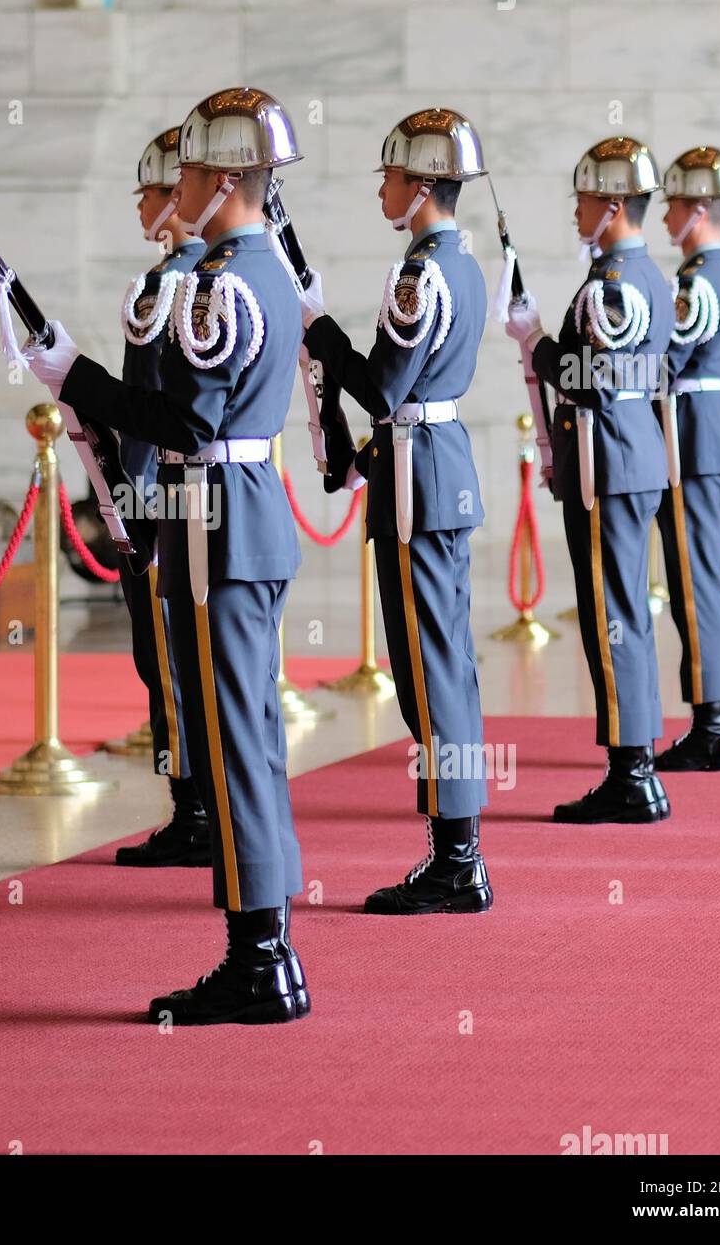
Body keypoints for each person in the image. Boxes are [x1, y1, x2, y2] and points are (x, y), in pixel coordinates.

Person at [21, 87, 310, 1025]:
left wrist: (80, 380)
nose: (174, 185)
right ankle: (264, 951)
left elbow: (186, 419)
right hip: (243, 511)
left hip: (213, 517)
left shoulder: (222, 282)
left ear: (226, 179)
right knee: (246, 734)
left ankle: (260, 958)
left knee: (231, 742)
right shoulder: (264, 270)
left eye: (186, 168)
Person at [300, 107, 492, 913]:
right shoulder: (467, 265)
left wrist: (323, 333)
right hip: (424, 466)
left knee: (428, 670)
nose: (382, 187)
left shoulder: (419, 274)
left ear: (420, 187)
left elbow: (382, 388)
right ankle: (458, 850)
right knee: (438, 662)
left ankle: (457, 860)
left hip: (418, 479)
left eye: (389, 176)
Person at [504, 138, 673, 823]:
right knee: (622, 611)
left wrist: (537, 339)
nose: (575, 211)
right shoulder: (647, 276)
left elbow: (589, 380)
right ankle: (636, 763)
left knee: (612, 618)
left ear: (611, 204)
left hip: (608, 460)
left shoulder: (613, 285)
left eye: (582, 200)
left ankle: (631, 774)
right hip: (625, 456)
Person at [113, 128, 209, 867]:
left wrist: (126, 494)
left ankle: (192, 810)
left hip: (163, 498)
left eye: (149, 189)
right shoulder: (227, 272)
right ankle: (211, 802)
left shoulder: (165, 285)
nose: (141, 203)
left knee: (167, 663)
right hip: (215, 499)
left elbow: (145, 404)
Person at [652, 148, 720, 772]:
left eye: (676, 206)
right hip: (707, 432)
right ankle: (717, 720)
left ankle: (714, 726)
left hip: (692, 436)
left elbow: (667, 363)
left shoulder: (696, 282)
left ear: (702, 209)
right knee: (703, 577)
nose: (666, 218)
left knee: (695, 582)